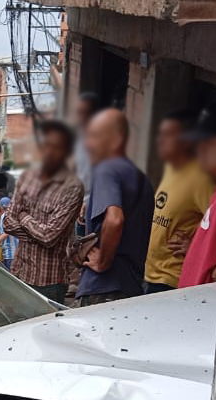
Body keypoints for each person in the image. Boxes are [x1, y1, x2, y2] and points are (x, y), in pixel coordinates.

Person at [77, 109, 154, 306]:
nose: (88, 144)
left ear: (116, 140)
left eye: (95, 137)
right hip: (130, 286)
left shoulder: (107, 169)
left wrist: (103, 262)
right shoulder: (140, 178)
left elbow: (114, 219)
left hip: (103, 288)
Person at [4, 119, 84, 303]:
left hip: (49, 282)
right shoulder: (27, 177)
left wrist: (23, 216)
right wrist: (37, 232)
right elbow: (8, 223)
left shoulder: (72, 187)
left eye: (57, 147)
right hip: (19, 273)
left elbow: (49, 237)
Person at [144, 109, 216, 294]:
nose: (160, 140)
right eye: (161, 134)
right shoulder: (171, 168)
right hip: (151, 274)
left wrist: (194, 247)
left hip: (172, 280)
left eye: (168, 135)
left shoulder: (201, 178)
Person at [178, 104, 216, 288]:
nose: (200, 148)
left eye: (209, 142)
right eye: (198, 142)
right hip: (193, 300)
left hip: (204, 302)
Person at [0, 196, 18, 270]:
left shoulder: (8, 216)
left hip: (12, 254)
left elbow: (8, 231)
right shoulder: (6, 216)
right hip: (8, 253)